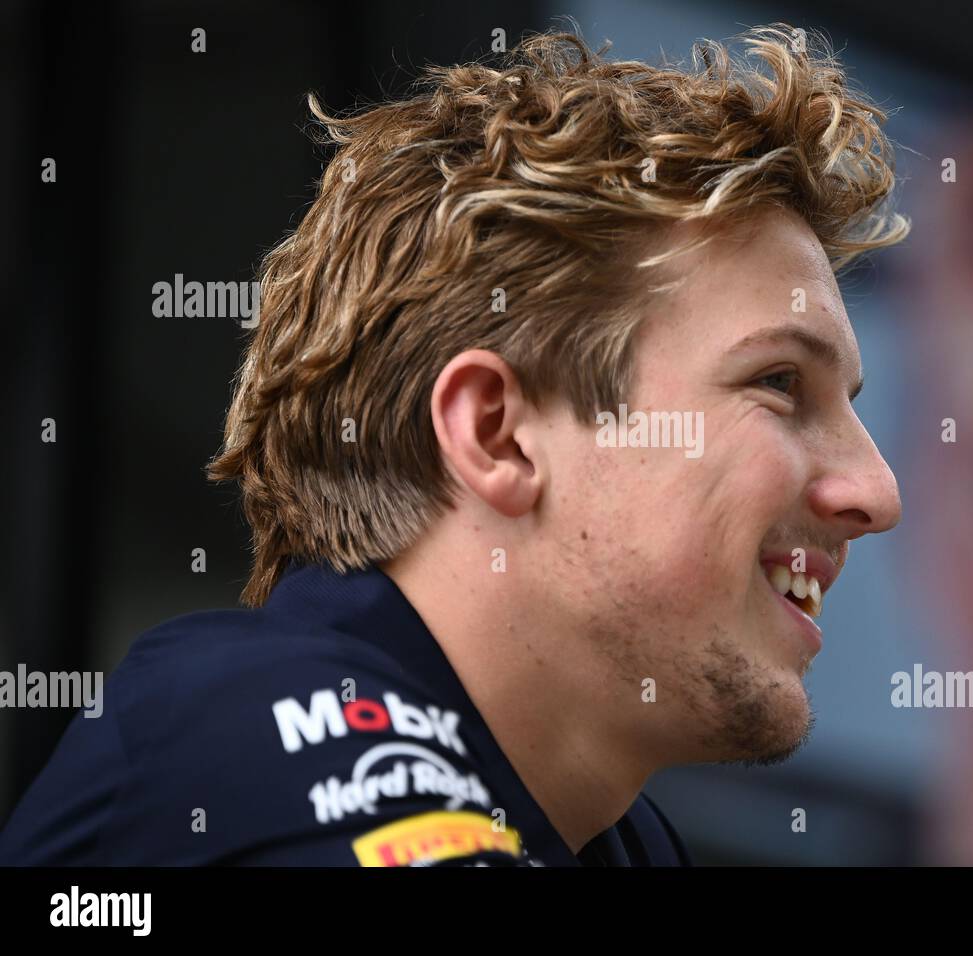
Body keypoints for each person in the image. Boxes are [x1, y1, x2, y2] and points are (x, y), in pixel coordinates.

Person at [0, 23, 905, 866]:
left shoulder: (608, 838)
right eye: (780, 384)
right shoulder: (266, 752)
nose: (876, 490)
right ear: (496, 435)